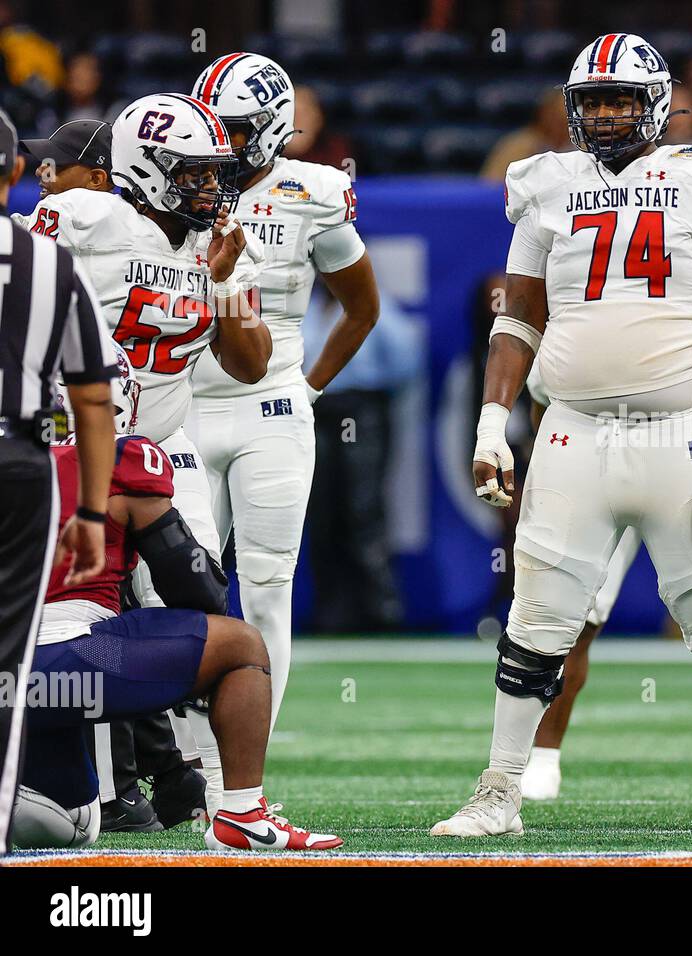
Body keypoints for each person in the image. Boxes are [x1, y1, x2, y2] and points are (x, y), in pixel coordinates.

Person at [432, 34, 692, 839]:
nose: (605, 114)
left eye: (619, 98)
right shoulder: (545, 186)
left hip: (683, 433)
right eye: (593, 100)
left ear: (655, 104)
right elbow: (517, 320)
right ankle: (499, 789)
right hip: (572, 433)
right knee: (536, 620)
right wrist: (492, 424)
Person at [23, 92, 271, 819]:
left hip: (160, 450)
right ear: (145, 168)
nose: (209, 188)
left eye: (213, 173)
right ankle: (99, 790)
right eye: (191, 173)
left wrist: (223, 282)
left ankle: (214, 792)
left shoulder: (211, 245)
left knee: (191, 603)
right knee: (78, 611)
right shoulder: (89, 216)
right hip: (70, 451)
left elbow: (252, 364)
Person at [10, 351, 341, 851]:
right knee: (243, 644)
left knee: (76, 821)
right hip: (68, 656)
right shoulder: (121, 462)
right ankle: (242, 816)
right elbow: (195, 590)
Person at [17, 116, 207, 831]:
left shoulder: (195, 246)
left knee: (129, 601)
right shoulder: (90, 216)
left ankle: (163, 779)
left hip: (125, 435)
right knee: (112, 605)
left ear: (103, 172)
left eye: (57, 168)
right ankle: (154, 780)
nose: (45, 180)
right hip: (98, 435)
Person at [185, 53, 379, 726]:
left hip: (269, 406)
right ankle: (185, 760)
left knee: (267, 588)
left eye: (233, 129)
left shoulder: (311, 192)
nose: (217, 143)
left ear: (271, 127)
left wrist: (309, 388)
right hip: (181, 407)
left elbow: (361, 308)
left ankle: (247, 763)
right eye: (210, 126)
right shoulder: (180, 182)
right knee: (175, 588)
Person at [518, 354, 692, 802]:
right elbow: (544, 414)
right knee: (572, 619)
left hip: (683, 457)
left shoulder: (683, 314)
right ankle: (543, 759)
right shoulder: (574, 328)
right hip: (595, 465)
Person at [0, 106, 117, 856]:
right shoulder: (48, 261)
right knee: (9, 658)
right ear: (13, 172)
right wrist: (95, 510)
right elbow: (94, 397)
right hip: (21, 464)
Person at [302, 283, 422, 633]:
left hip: (360, 410)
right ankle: (331, 613)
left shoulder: (371, 300)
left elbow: (406, 355)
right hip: (316, 411)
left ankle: (381, 612)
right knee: (321, 510)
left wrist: (371, 388)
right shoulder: (306, 306)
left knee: (363, 507)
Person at [480, 89, 572, 182]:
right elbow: (491, 185)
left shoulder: (581, 146)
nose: (558, 127)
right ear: (543, 114)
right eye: (555, 118)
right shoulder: (518, 146)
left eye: (566, 122)